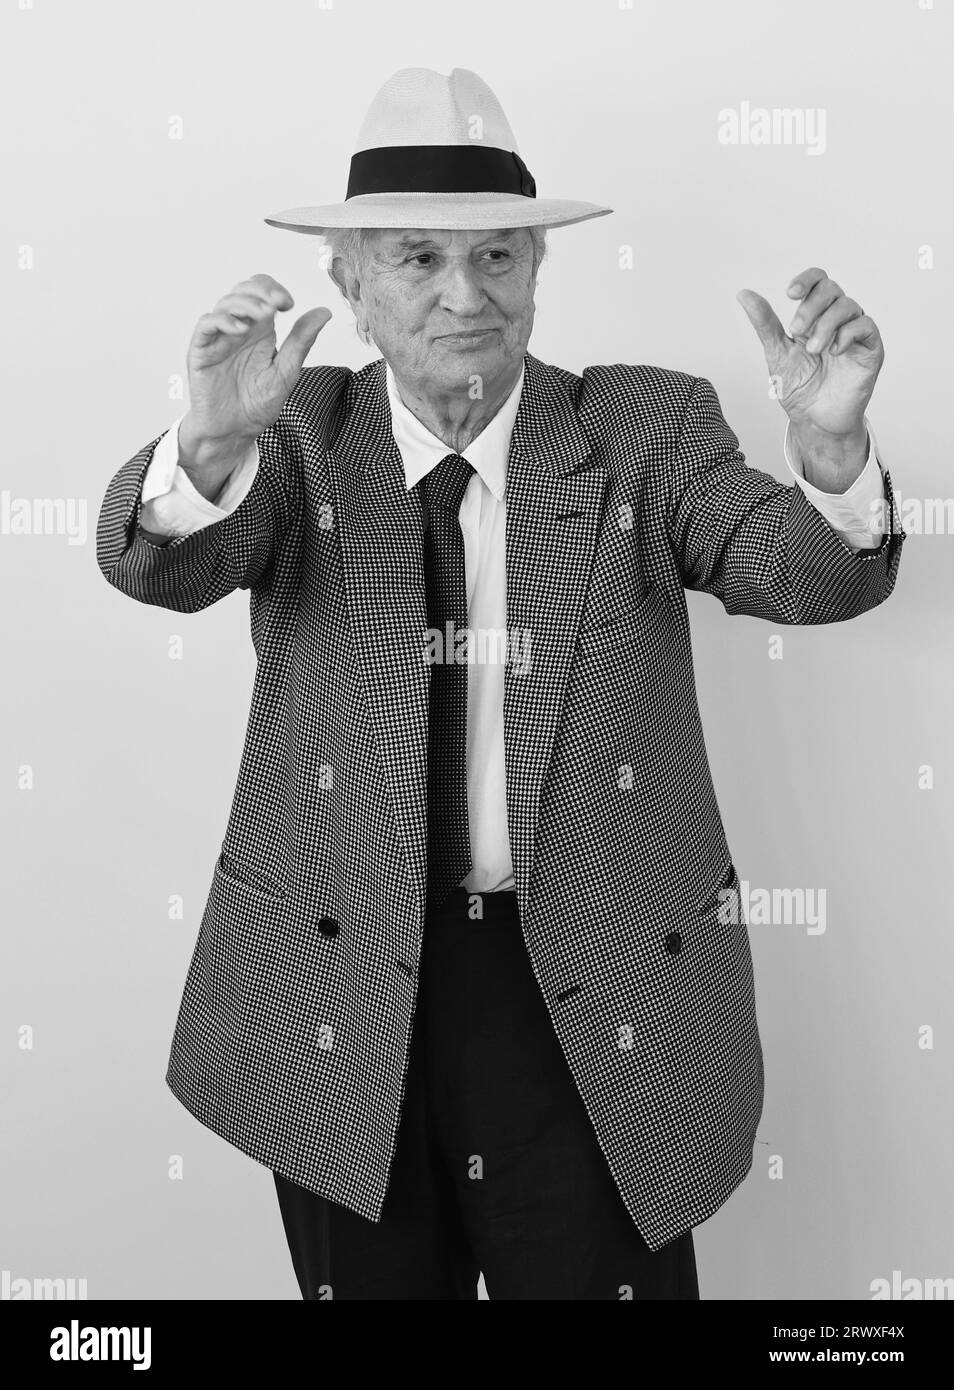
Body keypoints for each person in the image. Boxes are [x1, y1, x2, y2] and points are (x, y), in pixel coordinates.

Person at [96, 67, 905, 1300]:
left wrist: (834, 454)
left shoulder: (648, 429)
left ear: (537, 270)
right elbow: (160, 565)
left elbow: (802, 574)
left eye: (497, 259)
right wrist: (207, 445)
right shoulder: (298, 431)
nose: (462, 297)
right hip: (345, 988)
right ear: (351, 286)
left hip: (583, 991)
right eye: (416, 259)